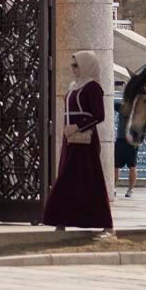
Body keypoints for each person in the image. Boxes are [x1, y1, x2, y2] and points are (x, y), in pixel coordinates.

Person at [39, 49, 113, 232]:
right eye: (72, 65)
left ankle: (104, 224)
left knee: (90, 181)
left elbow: (99, 115)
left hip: (85, 142)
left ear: (87, 65)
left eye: (76, 65)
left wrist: (78, 126)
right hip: (70, 141)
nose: (74, 69)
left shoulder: (93, 87)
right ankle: (61, 220)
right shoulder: (74, 86)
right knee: (70, 180)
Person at [113, 96, 139, 197]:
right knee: (115, 166)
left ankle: (130, 190)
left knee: (132, 166)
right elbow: (110, 103)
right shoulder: (122, 107)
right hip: (120, 140)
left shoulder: (137, 110)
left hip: (132, 141)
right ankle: (112, 187)